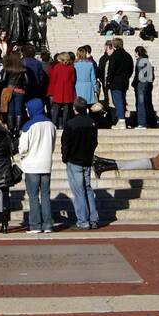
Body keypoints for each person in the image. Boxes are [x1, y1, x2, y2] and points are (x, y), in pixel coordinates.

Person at [16, 98, 56, 234]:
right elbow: (53, 144)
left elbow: (22, 148)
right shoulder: (51, 124)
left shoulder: (28, 126)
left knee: (33, 196)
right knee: (45, 195)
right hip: (46, 164)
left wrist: (22, 156)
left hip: (32, 165)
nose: (26, 111)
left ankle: (35, 225)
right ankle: (48, 224)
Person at [61, 98, 99, 229]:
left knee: (79, 191)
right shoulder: (92, 122)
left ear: (75, 109)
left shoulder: (70, 123)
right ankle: (93, 218)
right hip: (87, 159)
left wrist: (65, 157)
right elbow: (95, 142)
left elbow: (65, 144)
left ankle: (83, 221)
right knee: (87, 188)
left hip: (74, 160)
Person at [95, 136, 159, 174]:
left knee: (124, 165)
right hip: (148, 163)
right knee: (124, 166)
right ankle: (101, 163)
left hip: (148, 162)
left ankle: (101, 164)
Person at [104, 38, 134, 128]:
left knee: (118, 101)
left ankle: (121, 120)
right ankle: (120, 118)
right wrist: (126, 77)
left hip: (115, 82)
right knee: (122, 100)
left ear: (114, 45)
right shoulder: (128, 56)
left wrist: (108, 81)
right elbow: (131, 69)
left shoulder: (114, 56)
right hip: (124, 81)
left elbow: (111, 70)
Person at [47, 52, 76, 129]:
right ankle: (65, 125)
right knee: (66, 110)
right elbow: (73, 80)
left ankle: (53, 125)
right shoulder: (71, 68)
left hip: (58, 90)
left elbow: (54, 79)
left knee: (55, 110)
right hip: (68, 91)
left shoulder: (56, 67)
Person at [0, 51, 27, 135]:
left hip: (9, 90)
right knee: (19, 110)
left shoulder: (7, 68)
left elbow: (3, 80)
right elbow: (27, 81)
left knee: (10, 110)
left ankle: (11, 129)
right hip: (20, 90)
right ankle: (18, 129)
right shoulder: (22, 68)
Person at [133, 45, 155, 129]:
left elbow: (139, 74)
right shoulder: (147, 60)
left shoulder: (140, 61)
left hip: (141, 84)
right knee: (147, 103)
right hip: (148, 83)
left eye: (135, 52)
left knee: (141, 104)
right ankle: (150, 121)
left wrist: (136, 82)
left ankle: (142, 123)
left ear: (137, 53)